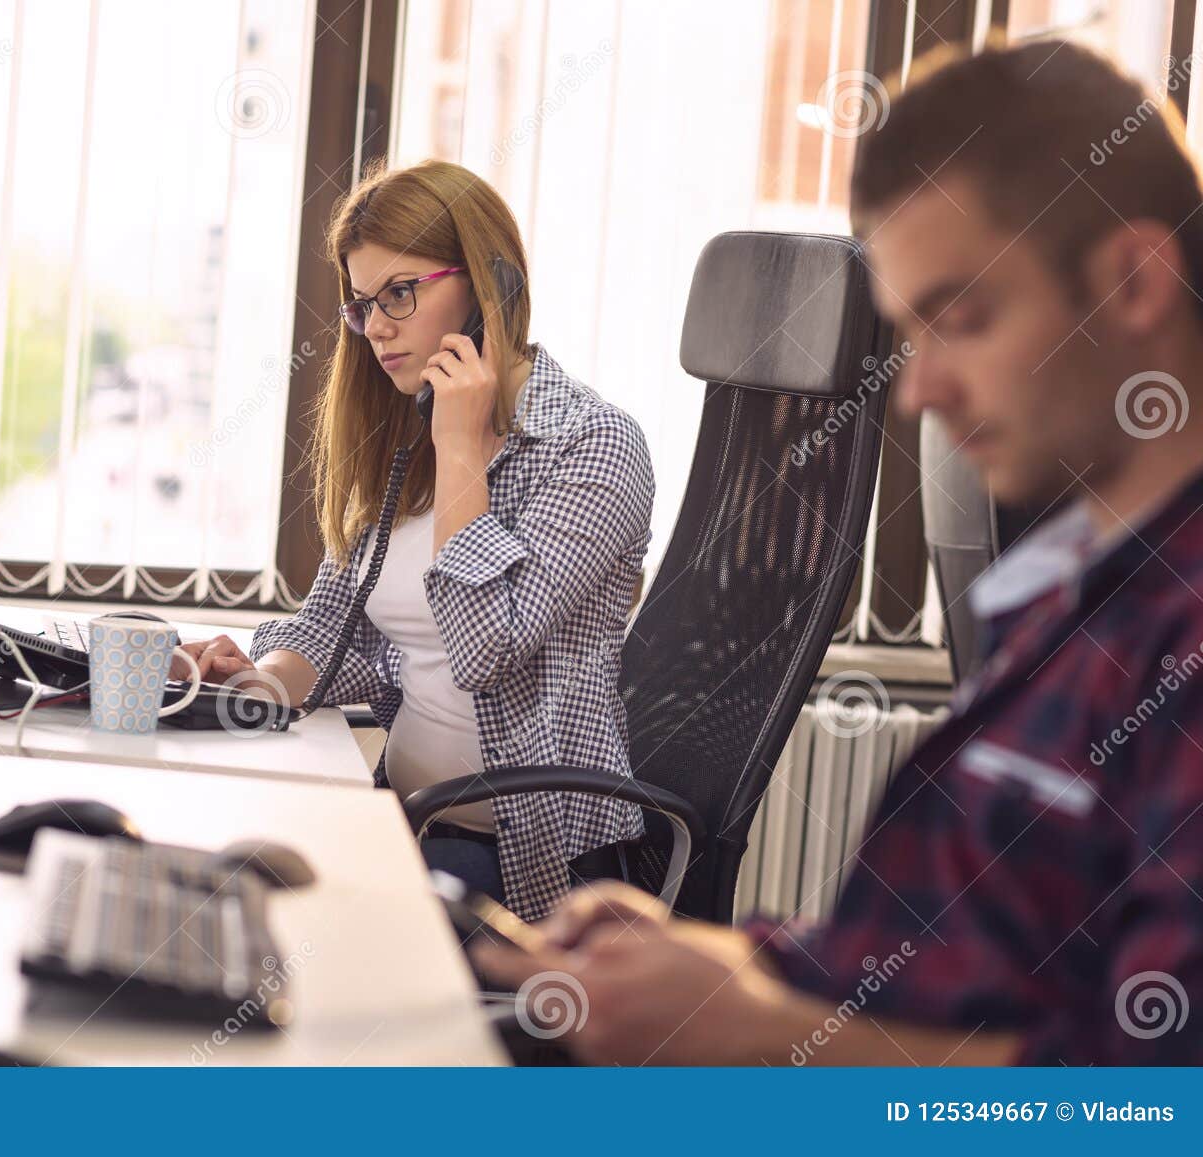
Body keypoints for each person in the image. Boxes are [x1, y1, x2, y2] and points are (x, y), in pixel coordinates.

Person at [477, 39, 1203, 1064]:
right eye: (910, 335)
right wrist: (721, 959)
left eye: (963, 318)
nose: (917, 391)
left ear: (1132, 281)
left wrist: (761, 1030)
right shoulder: (1063, 593)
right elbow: (951, 971)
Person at [172, 159, 655, 919]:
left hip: (528, 865)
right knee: (212, 871)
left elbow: (482, 650)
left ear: (490, 286)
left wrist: (462, 453)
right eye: (364, 305)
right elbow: (333, 625)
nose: (380, 328)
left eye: (401, 292)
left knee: (288, 933)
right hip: (408, 820)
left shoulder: (593, 446)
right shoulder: (405, 439)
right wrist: (256, 680)